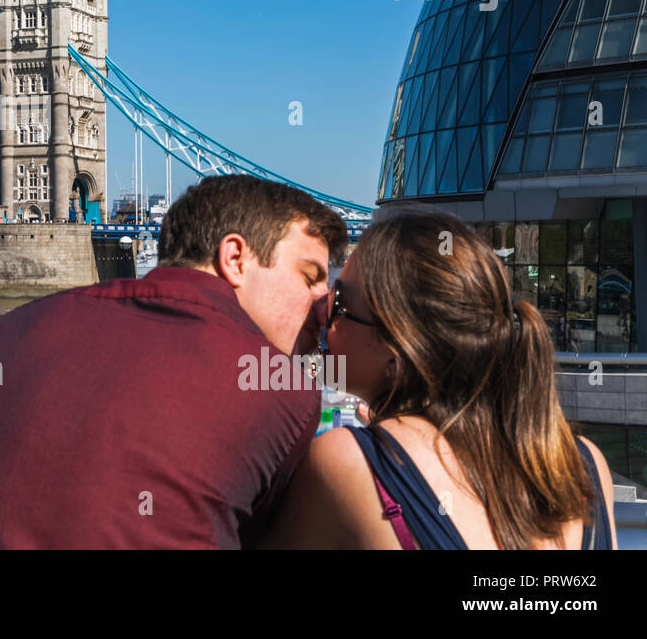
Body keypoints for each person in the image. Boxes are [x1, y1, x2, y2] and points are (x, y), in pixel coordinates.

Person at [0, 174, 346, 548]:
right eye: (311, 277)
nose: (323, 306)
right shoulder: (283, 391)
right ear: (235, 258)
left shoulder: (2, 337)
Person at [261, 209, 617, 550]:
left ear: (397, 350)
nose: (320, 312)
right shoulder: (586, 464)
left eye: (339, 302)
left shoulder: (349, 462)